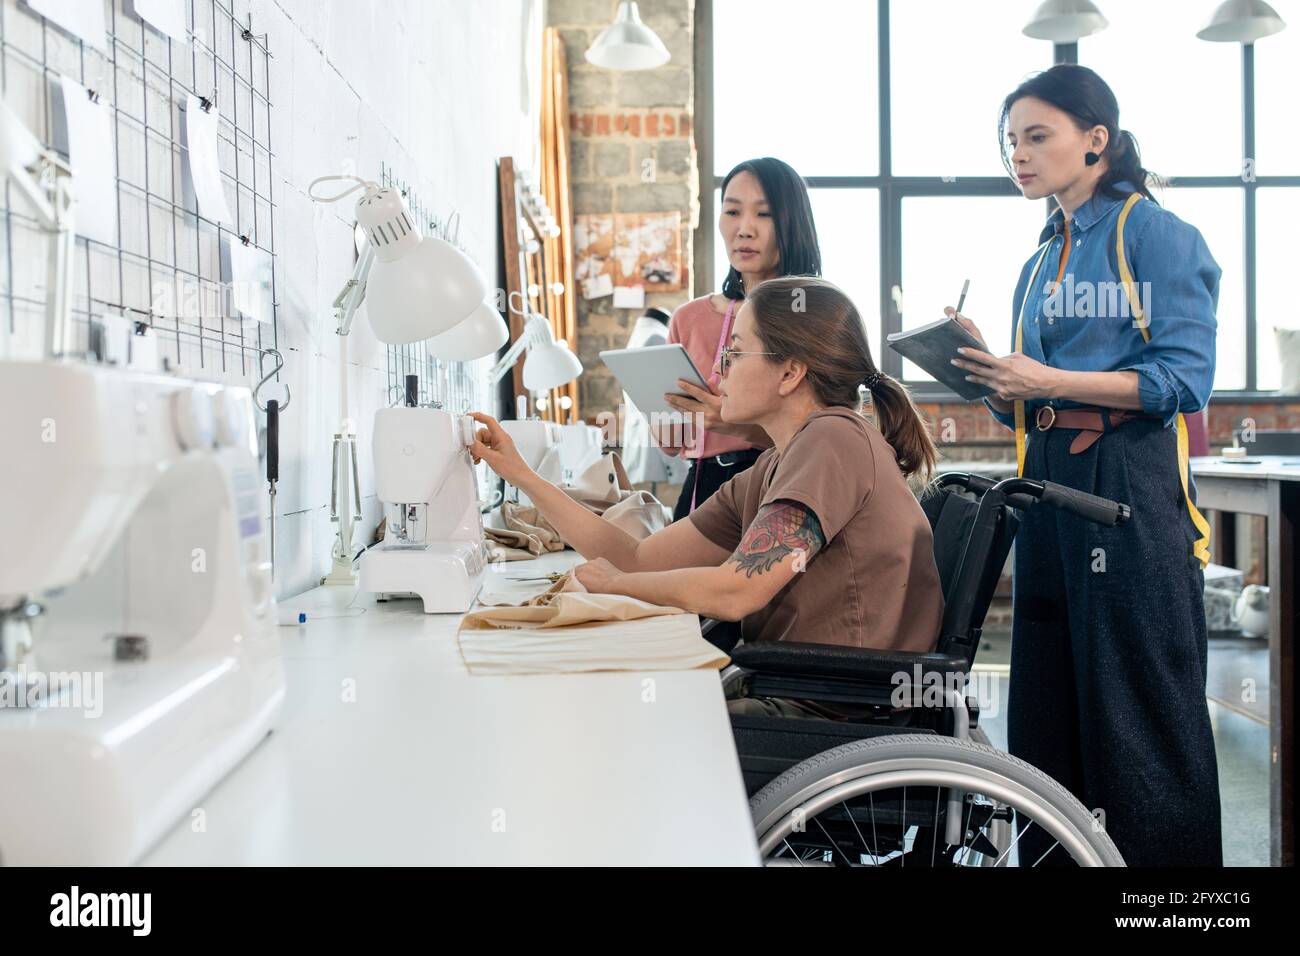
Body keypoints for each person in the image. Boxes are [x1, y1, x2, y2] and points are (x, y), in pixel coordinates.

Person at [950, 64, 1223, 866]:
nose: (1019, 156)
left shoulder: (1159, 235)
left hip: (1128, 488)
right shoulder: (1037, 264)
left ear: (1096, 140)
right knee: (1048, 703)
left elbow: (1182, 381)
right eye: (1011, 143)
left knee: (1139, 712)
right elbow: (1022, 404)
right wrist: (978, 370)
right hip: (1045, 487)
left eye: (1038, 137)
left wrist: (1050, 380)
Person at [470, 276, 942, 718]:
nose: (719, 373)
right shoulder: (776, 462)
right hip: (791, 683)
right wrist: (523, 474)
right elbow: (637, 558)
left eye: (734, 354)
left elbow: (737, 591)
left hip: (832, 704)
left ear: (790, 372)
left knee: (618, 713)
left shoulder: (832, 440)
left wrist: (616, 585)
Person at [658, 157, 823, 521]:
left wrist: (731, 424)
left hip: (783, 482)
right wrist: (665, 421)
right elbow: (673, 444)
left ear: (792, 222)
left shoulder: (815, 315)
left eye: (764, 215)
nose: (745, 229)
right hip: (702, 482)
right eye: (732, 212)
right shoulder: (688, 319)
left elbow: (825, 443)